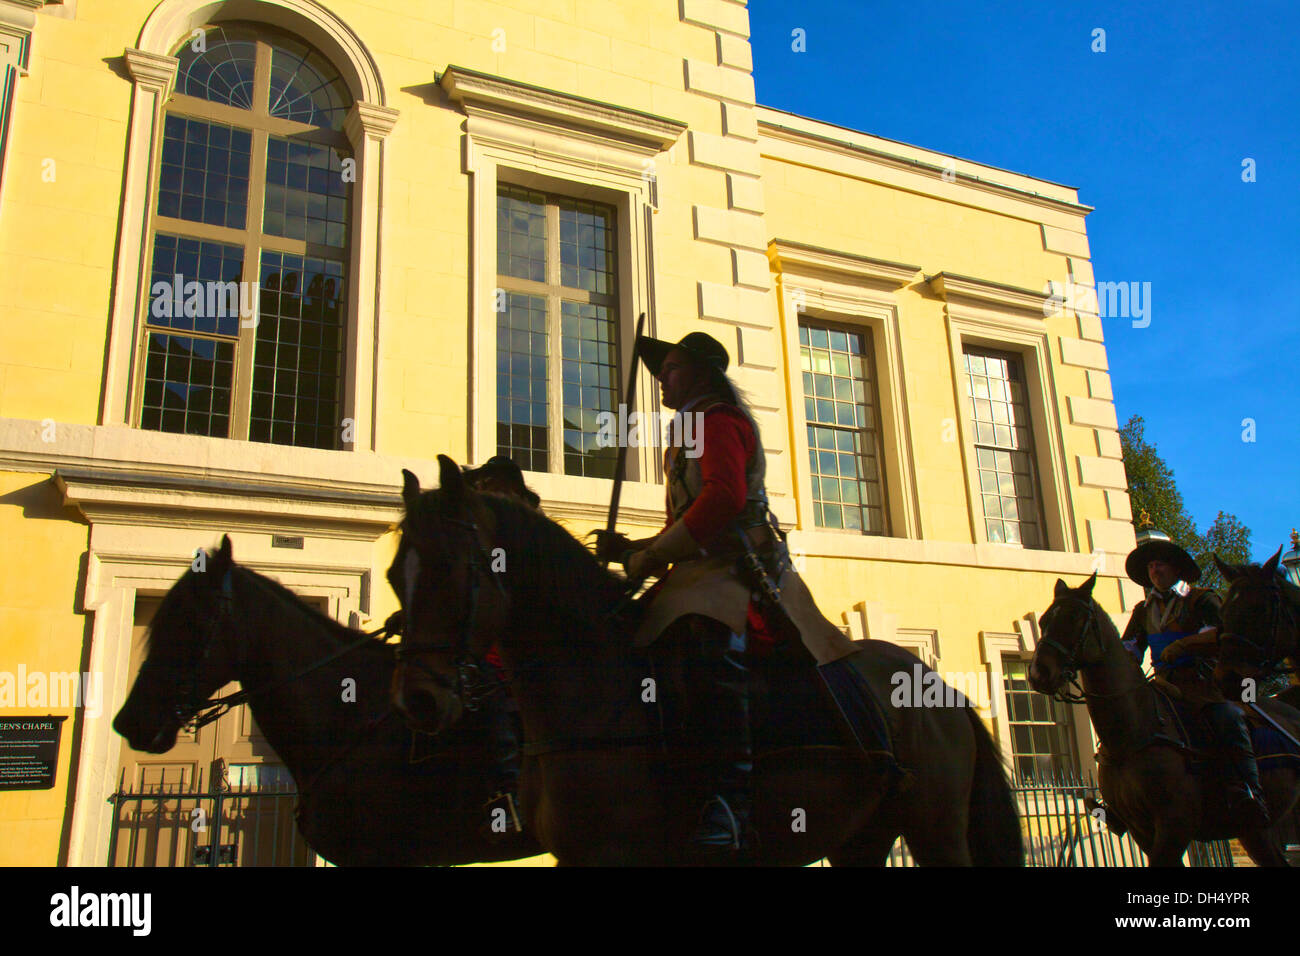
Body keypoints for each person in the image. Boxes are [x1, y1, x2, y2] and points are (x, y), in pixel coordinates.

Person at [596, 331, 872, 858]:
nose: (661, 379)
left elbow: (724, 498)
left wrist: (651, 557)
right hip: (702, 567)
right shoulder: (686, 429)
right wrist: (635, 548)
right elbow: (687, 518)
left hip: (739, 568)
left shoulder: (716, 420)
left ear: (701, 374)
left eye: (671, 369)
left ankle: (728, 804)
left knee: (707, 644)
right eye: (660, 370)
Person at [1121, 530, 1270, 829]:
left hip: (1204, 683)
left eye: (1161, 564)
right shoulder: (1143, 610)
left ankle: (1248, 791)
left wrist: (1184, 645)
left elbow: (1224, 634)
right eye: (1150, 566)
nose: (1155, 569)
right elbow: (1131, 649)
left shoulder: (1202, 599)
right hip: (1163, 684)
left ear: (1176, 568)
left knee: (1228, 718)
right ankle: (1120, 803)